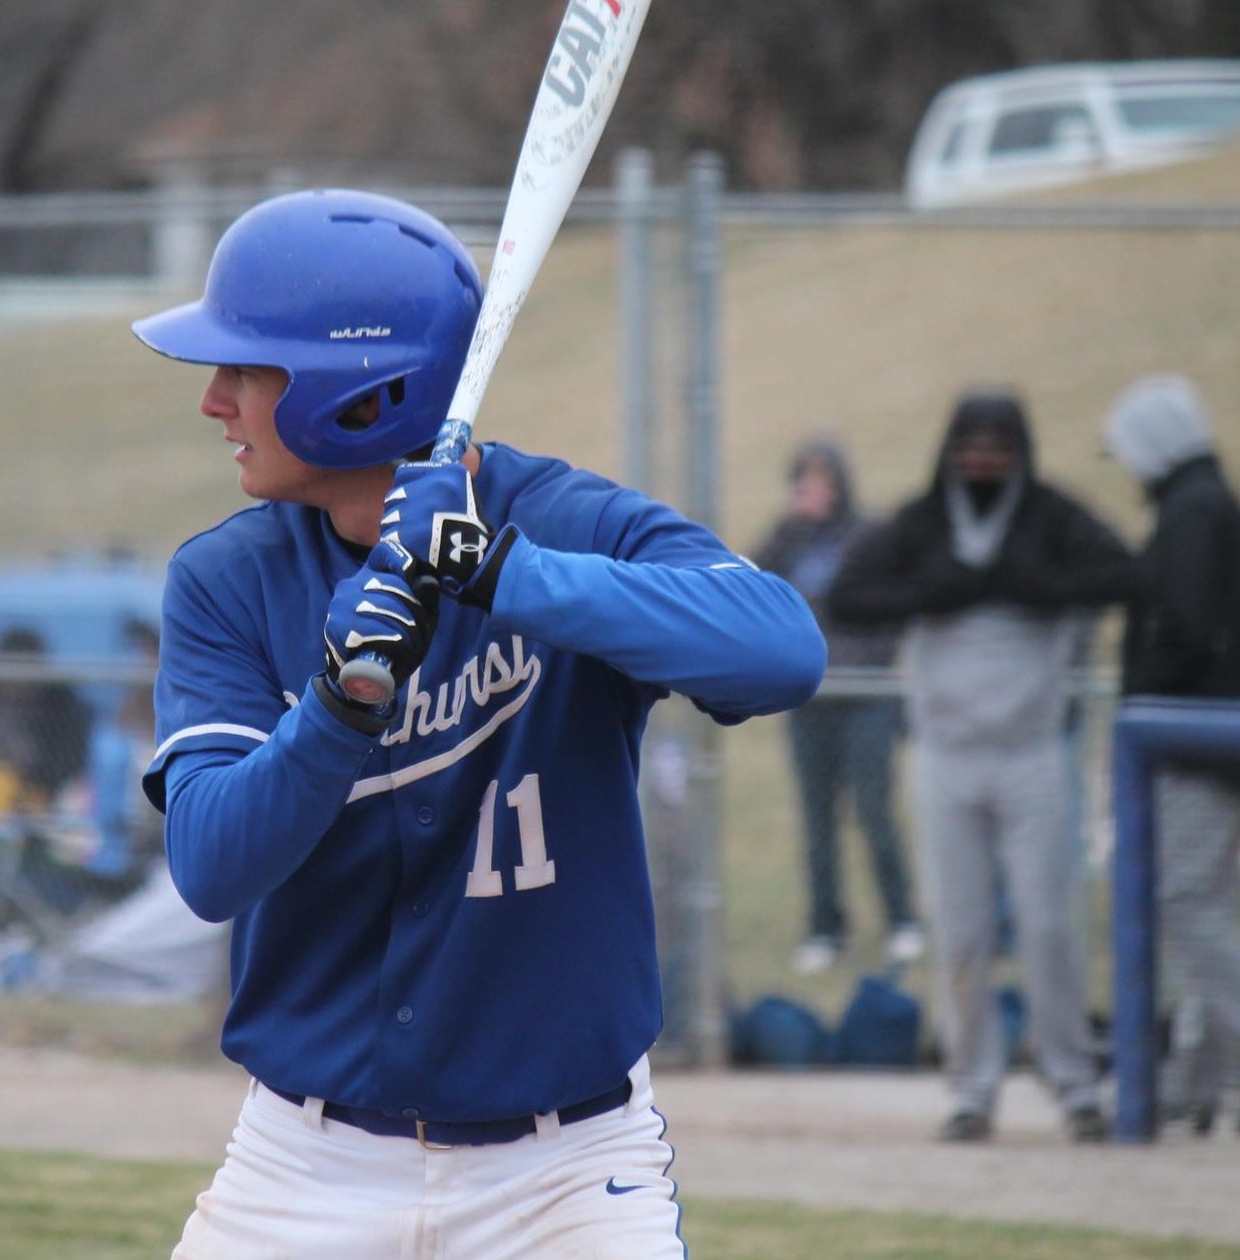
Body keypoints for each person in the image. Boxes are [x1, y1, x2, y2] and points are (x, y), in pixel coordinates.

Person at [129, 189, 825, 1258]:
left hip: (566, 1171)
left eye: (249, 369)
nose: (212, 400)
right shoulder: (227, 579)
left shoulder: (561, 524)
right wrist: (338, 709)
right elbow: (213, 865)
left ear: (356, 393)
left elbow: (782, 651)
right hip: (305, 1166)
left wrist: (502, 574)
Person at [828, 389, 1135, 1144]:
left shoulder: (1051, 518)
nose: (982, 463)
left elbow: (1125, 575)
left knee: (1048, 925)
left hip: (1034, 754)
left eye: (998, 450)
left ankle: (1074, 1084)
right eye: (970, 449)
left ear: (1021, 453)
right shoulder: (923, 523)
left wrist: (1040, 588)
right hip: (945, 756)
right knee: (960, 931)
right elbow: (847, 593)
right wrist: (930, 593)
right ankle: (971, 1087)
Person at [1103, 373, 1240, 1134]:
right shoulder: (1207, 501)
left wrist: (1145, 703)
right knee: (1208, 904)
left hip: (1192, 742)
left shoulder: (1190, 511)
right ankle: (1197, 1082)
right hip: (1205, 736)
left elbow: (1184, 627)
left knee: (1187, 901)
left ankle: (1210, 1071)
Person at [752, 438, 923, 974]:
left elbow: (896, 608)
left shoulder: (868, 537)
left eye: (821, 480)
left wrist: (866, 659)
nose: (812, 490)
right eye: (803, 480)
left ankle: (903, 920)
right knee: (816, 821)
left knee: (873, 811)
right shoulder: (788, 539)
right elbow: (750, 584)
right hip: (810, 704)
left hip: (866, 700)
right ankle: (826, 929)